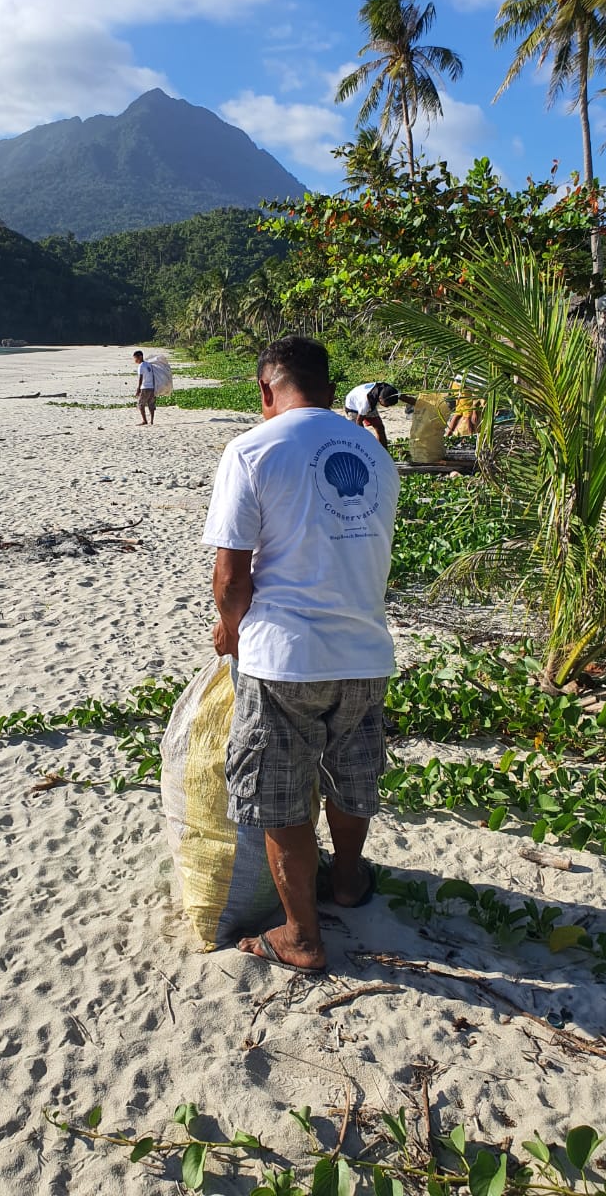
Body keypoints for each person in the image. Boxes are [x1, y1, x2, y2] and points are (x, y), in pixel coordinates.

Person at [202, 335, 399, 974]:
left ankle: (301, 935)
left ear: (266, 388)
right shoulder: (372, 452)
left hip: (285, 658)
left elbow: (232, 575)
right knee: (351, 773)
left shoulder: (253, 449)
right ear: (328, 386)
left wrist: (229, 628)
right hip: (365, 652)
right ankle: (346, 882)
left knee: (279, 791)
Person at [342, 381, 412, 449]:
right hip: (352, 406)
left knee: (380, 428)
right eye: (387, 405)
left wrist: (417, 404)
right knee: (356, 433)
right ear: (380, 399)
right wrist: (363, 439)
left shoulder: (391, 392)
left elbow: (406, 398)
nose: (388, 407)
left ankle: (384, 451)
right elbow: (359, 421)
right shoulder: (366, 403)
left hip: (366, 399)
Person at [133, 349, 156, 425]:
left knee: (140, 404)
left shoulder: (141, 366)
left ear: (140, 357)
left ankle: (144, 421)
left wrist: (138, 389)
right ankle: (151, 421)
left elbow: (141, 378)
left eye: (135, 358)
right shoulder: (148, 364)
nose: (135, 360)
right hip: (151, 387)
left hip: (145, 387)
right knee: (151, 404)